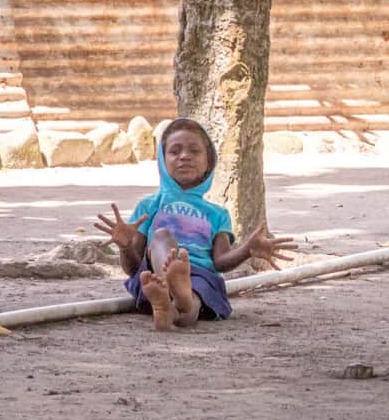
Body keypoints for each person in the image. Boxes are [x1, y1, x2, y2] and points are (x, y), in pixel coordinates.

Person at [93, 118, 295, 331]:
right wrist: (125, 247)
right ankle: (173, 289)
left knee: (194, 295)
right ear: (162, 160)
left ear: (209, 161)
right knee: (161, 236)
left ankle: (172, 308)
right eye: (175, 151)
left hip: (201, 275)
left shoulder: (218, 214)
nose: (184, 156)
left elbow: (220, 262)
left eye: (194, 151)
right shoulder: (149, 206)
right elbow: (132, 268)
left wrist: (247, 250)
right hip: (154, 277)